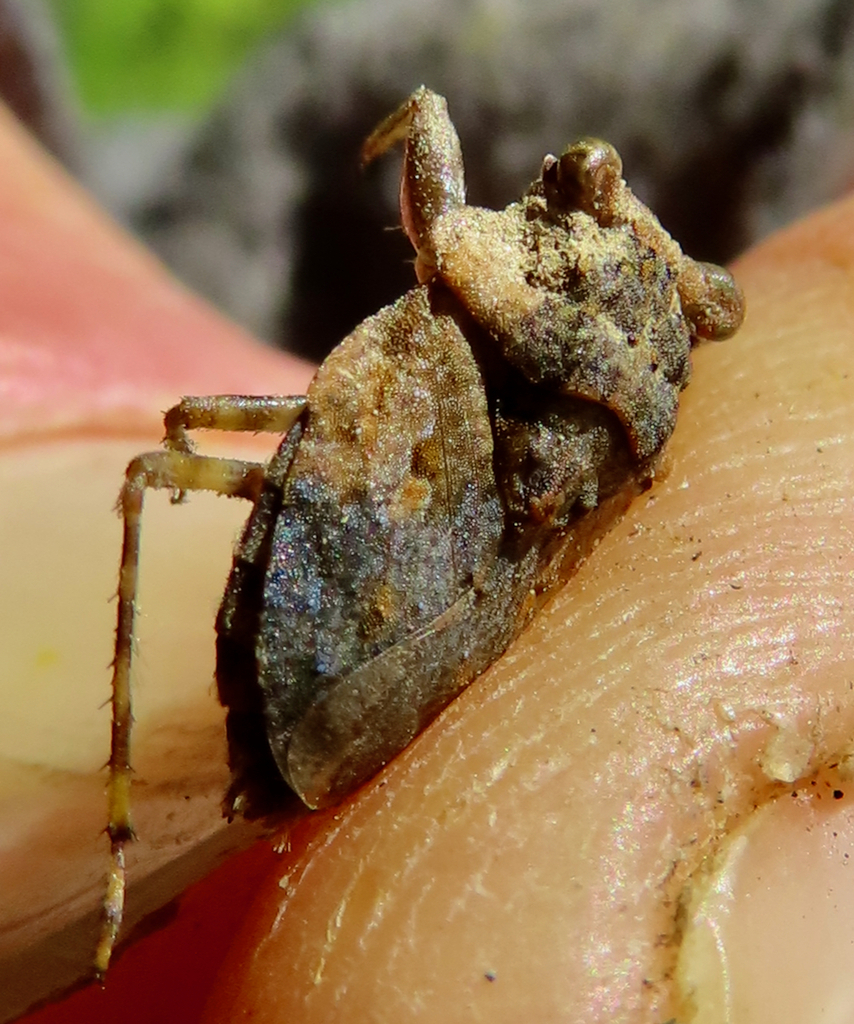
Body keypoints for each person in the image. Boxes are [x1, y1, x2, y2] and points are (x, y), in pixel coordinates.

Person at [4, 95, 854, 1024]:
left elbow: (436, 177)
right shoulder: (639, 418)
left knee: (155, 466)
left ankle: (120, 861)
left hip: (337, 616)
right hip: (407, 644)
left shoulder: (477, 282)